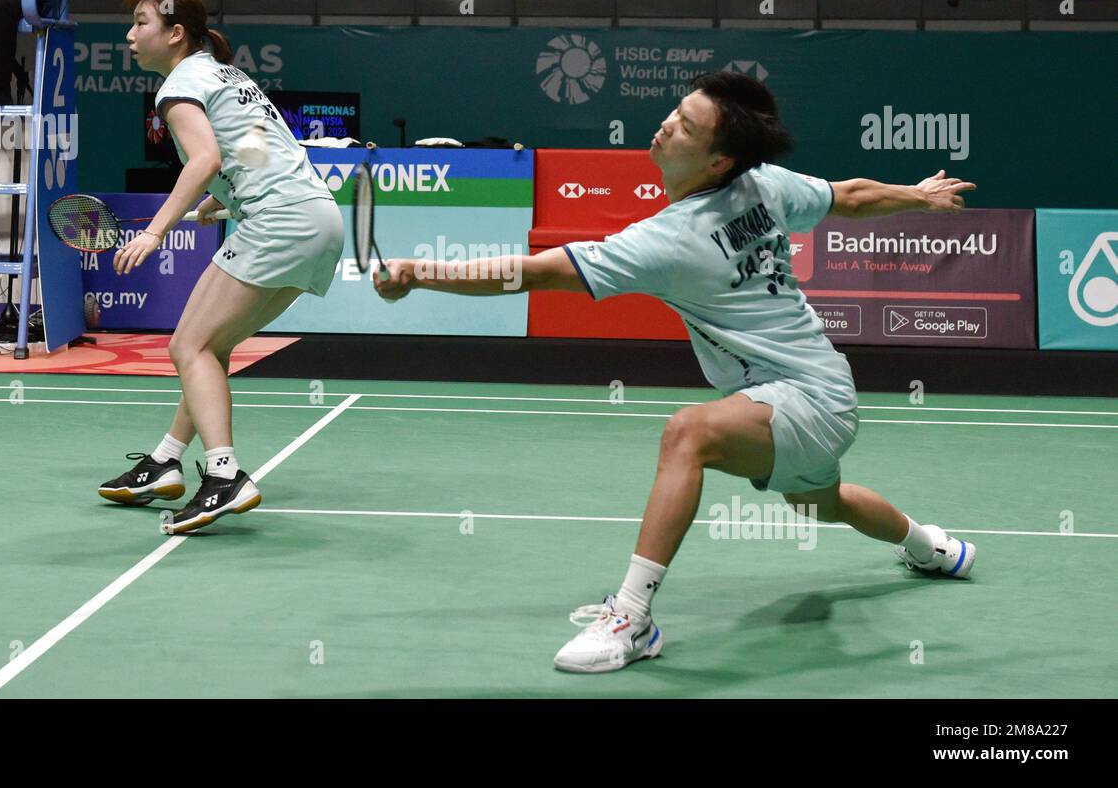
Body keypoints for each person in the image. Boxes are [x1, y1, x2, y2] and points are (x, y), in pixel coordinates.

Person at [373, 72, 978, 673]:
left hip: (806, 397)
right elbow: (849, 196)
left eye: (686, 126)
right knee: (821, 505)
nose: (667, 124)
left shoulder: (668, 240)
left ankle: (633, 618)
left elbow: (529, 274)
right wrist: (918, 194)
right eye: (676, 111)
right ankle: (931, 548)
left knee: (687, 433)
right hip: (818, 393)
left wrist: (421, 273)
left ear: (718, 161)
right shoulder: (763, 184)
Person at [97, 0, 344, 535]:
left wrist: (157, 230)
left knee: (189, 346)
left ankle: (224, 475)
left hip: (278, 221)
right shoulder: (230, 76)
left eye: (140, 24)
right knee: (212, 348)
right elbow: (254, 148)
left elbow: (206, 155)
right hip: (318, 218)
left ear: (175, 33)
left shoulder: (180, 86)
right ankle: (165, 462)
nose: (130, 35)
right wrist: (219, 202)